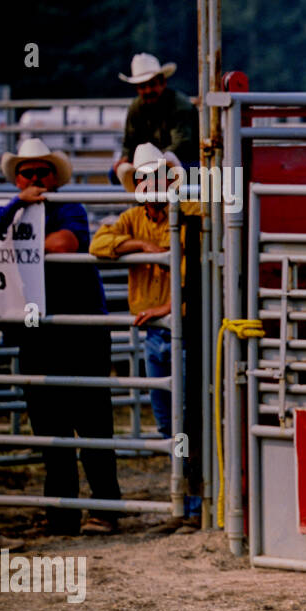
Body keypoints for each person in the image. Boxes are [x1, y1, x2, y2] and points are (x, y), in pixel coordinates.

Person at [0, 138, 122, 534]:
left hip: (80, 327)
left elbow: (68, 241)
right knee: (49, 427)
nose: (35, 178)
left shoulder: (68, 206)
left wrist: (11, 250)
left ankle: (105, 509)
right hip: (36, 329)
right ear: (17, 179)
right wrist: (14, 230)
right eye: (27, 172)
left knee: (93, 422)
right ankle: (62, 512)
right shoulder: (8, 211)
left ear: (53, 176)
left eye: (42, 171)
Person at [92, 143, 181, 437]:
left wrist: (168, 308)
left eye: (156, 176)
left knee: (189, 411)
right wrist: (142, 246)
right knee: (167, 418)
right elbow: (98, 244)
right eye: (144, 178)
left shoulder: (188, 213)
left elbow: (197, 268)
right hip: (155, 328)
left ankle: (194, 478)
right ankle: (179, 475)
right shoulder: (132, 219)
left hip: (185, 325)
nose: (150, 184)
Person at [113, 53, 199, 188]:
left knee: (191, 171)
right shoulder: (135, 108)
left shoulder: (179, 105)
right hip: (149, 165)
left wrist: (152, 162)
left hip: (184, 161)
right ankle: (144, 206)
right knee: (114, 173)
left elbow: (182, 145)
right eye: (142, 86)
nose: (148, 91)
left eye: (152, 85)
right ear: (137, 89)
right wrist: (124, 158)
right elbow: (129, 143)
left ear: (163, 82)